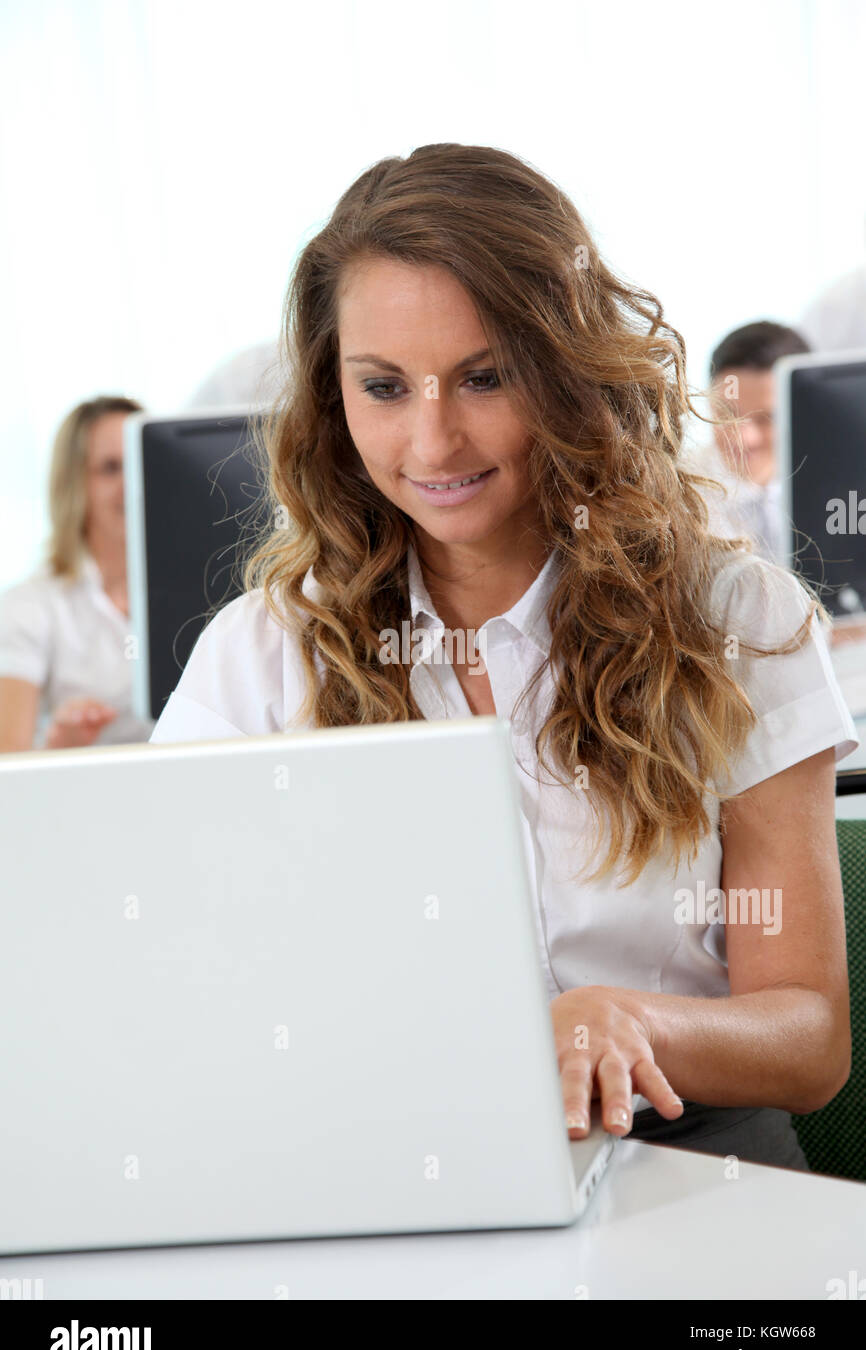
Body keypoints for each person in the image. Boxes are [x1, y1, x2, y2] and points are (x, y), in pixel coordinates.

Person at [149, 143, 858, 1170]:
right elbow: (180, 982)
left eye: (483, 377)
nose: (432, 444)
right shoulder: (261, 654)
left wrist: (627, 1022)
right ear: (329, 396)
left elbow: (808, 1040)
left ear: (567, 371)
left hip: (684, 1153)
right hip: (379, 1161)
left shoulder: (730, 617)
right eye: (383, 387)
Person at [0, 395, 156, 752]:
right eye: (110, 468)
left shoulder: (207, 589)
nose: (131, 483)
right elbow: (7, 766)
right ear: (74, 485)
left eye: (141, 462)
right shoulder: (28, 607)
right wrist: (61, 746)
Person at [686, 320, 811, 566]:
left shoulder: (839, 491)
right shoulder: (679, 495)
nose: (744, 438)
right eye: (726, 412)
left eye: (768, 418)